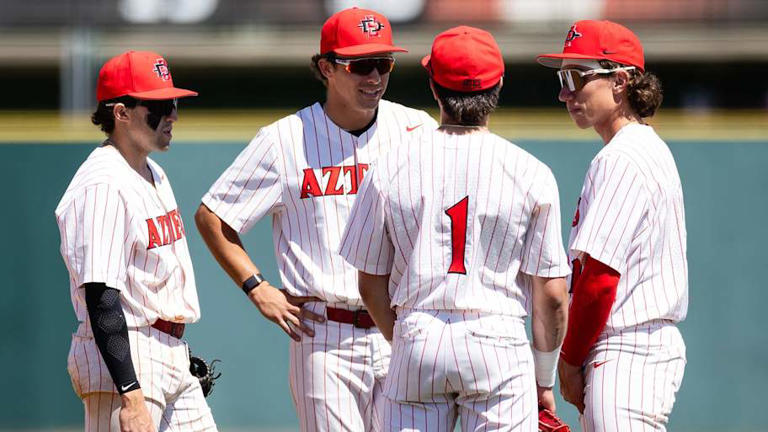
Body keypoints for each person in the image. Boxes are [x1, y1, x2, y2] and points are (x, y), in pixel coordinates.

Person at [194, 7, 437, 432]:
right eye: (360, 65)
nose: (374, 77)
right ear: (326, 68)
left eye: (383, 63)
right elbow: (212, 216)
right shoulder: (284, 140)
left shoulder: (416, 129)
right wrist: (257, 287)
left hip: (401, 328)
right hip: (326, 336)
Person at [339, 26, 570, 431]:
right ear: (499, 85)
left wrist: (405, 339)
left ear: (433, 87)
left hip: (419, 332)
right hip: (498, 339)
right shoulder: (531, 172)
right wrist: (544, 378)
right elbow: (551, 295)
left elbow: (370, 283)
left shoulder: (390, 166)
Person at [537, 20, 688, 431]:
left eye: (576, 77)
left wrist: (568, 361)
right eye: (562, 79)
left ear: (620, 81)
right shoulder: (642, 147)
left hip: (627, 349)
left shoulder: (621, 157)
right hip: (634, 348)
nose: (564, 93)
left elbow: (600, 279)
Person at [55, 50, 217, 431]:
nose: (172, 115)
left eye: (173, 103)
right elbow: (101, 296)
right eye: (158, 106)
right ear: (121, 113)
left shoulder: (153, 173)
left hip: (167, 350)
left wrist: (171, 352)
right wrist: (130, 392)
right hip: (126, 356)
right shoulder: (103, 184)